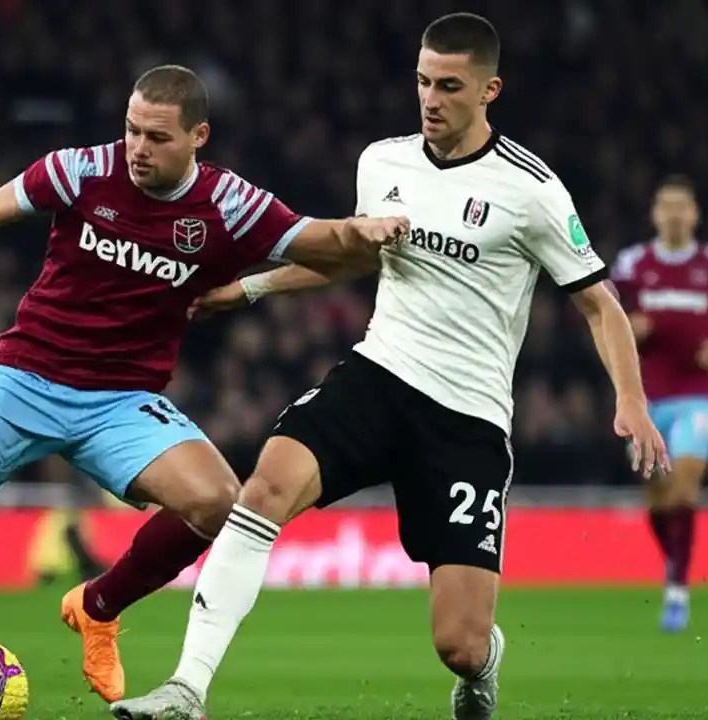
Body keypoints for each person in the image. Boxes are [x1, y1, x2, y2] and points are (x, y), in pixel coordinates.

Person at [0, 64, 407, 720]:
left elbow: (329, 246)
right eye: (132, 130)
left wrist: (353, 237)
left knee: (216, 502)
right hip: (23, 376)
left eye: (157, 137)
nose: (138, 149)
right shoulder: (82, 170)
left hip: (121, 400)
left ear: (198, 137)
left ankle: (98, 606)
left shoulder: (231, 205)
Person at [111, 14, 669, 720]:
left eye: (449, 86)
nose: (430, 99)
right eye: (421, 82)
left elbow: (600, 304)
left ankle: (485, 663)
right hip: (378, 375)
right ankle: (186, 689)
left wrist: (632, 400)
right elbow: (352, 255)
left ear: (488, 90)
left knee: (458, 645)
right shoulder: (384, 162)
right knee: (264, 490)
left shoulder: (532, 190)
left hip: (466, 417)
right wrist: (250, 285)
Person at [610, 175, 708, 632]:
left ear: (694, 214)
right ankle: (677, 561)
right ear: (654, 212)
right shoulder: (632, 265)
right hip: (646, 398)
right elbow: (608, 318)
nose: (673, 214)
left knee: (685, 489)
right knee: (657, 501)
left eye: (681, 206)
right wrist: (633, 326)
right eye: (665, 205)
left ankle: (676, 588)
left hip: (698, 394)